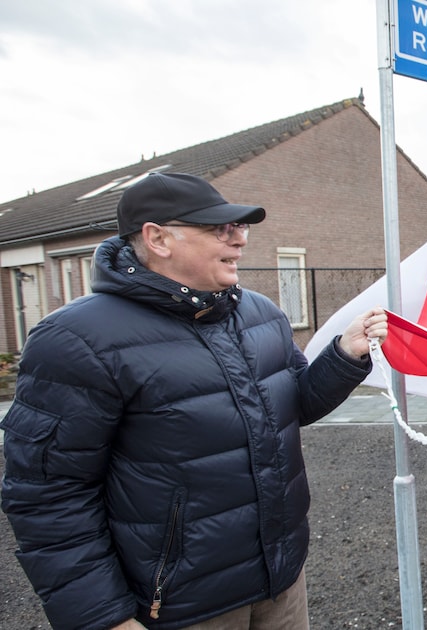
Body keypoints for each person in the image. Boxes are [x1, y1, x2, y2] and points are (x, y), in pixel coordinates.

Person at [0, 172, 387, 629]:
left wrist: (343, 354)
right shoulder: (77, 340)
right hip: (177, 608)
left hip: (280, 585)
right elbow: (48, 495)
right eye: (220, 229)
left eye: (240, 228)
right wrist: (103, 618)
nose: (239, 240)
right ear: (158, 238)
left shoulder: (260, 314)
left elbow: (293, 406)